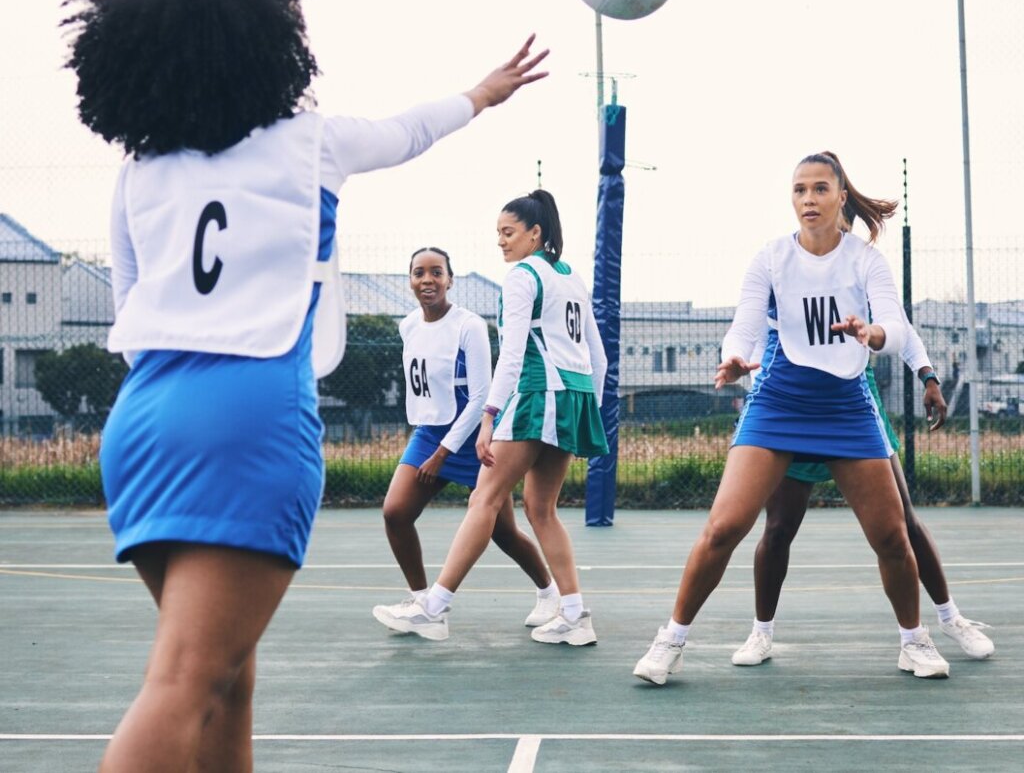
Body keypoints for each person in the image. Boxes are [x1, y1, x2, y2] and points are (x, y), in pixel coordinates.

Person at [62, 0, 548, 772]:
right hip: (247, 411)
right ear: (268, 52)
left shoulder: (138, 172)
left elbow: (131, 306)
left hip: (142, 420)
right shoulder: (310, 144)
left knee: (227, 677)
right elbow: (412, 128)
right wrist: (482, 94)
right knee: (186, 679)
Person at [633, 151, 951, 685]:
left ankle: (915, 641)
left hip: (846, 406)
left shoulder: (865, 261)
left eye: (820, 189)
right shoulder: (772, 257)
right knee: (724, 528)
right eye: (800, 190)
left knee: (893, 536)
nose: (809, 199)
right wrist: (734, 357)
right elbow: (744, 324)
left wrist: (872, 334)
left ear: (840, 196)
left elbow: (894, 326)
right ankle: (671, 640)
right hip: (779, 401)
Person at [374, 190, 609, 644]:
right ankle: (575, 615)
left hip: (538, 395)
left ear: (534, 233)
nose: (501, 242)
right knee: (541, 511)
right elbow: (596, 355)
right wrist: (590, 409)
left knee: (484, 499)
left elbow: (514, 354)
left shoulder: (522, 277)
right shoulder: (571, 276)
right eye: (498, 234)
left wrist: (490, 417)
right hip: (574, 396)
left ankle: (434, 607)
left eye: (508, 232)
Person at [732, 312, 995, 666]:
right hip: (792, 400)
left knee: (903, 523)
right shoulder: (777, 267)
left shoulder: (860, 266)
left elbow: (900, 328)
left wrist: (929, 377)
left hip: (853, 399)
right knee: (778, 528)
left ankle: (950, 618)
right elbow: (752, 334)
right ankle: (760, 633)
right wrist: (744, 368)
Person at [372, 246, 558, 633]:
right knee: (395, 512)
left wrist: (444, 452)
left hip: (473, 436)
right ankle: (424, 603)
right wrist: (431, 440)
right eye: (419, 273)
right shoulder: (408, 325)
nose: (428, 280)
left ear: (450, 280)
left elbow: (480, 397)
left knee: (504, 533)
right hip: (429, 433)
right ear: (410, 280)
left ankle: (549, 592)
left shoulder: (468, 325)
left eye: (436, 273)